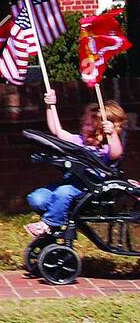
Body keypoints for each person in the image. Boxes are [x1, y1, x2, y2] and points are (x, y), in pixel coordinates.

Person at [26, 91, 125, 237]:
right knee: (37, 199)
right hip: (70, 181)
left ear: (100, 129)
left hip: (90, 186)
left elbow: (116, 153)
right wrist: (50, 105)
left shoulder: (105, 149)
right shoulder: (77, 141)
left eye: (90, 125)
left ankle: (49, 224)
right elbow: (57, 131)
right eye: (84, 123)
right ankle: (61, 215)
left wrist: (112, 134)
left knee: (64, 192)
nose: (85, 127)